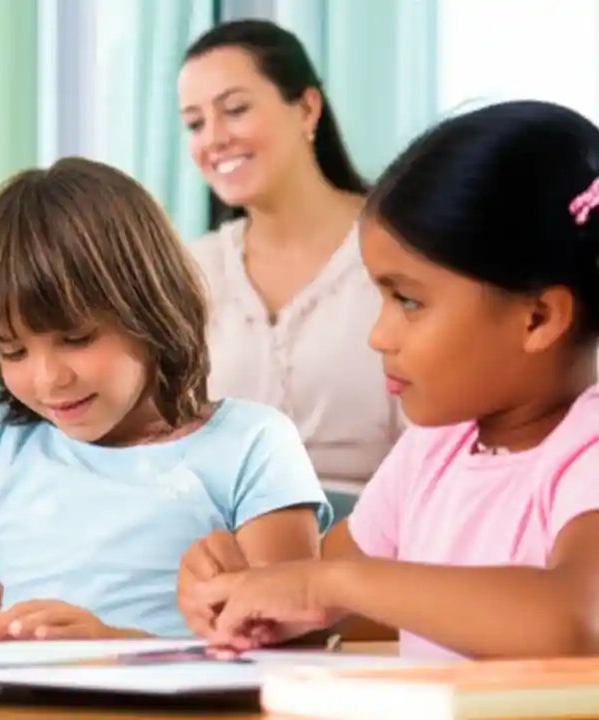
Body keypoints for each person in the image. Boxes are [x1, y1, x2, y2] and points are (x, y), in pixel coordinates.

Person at [180, 101, 599, 659]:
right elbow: (334, 603)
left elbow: (579, 621)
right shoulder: (434, 448)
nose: (378, 335)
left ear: (538, 319)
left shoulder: (585, 451)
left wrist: (326, 585)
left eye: (408, 301)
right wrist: (248, 597)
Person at [0, 158, 330, 642]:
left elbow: (284, 645)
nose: (49, 380)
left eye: (76, 339)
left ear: (151, 308)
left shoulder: (253, 445)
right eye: (13, 351)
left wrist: (114, 647)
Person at [178, 20, 401, 501]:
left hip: (379, 527)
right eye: (195, 123)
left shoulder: (403, 250)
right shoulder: (192, 271)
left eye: (235, 110)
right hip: (226, 529)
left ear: (306, 108)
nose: (213, 138)